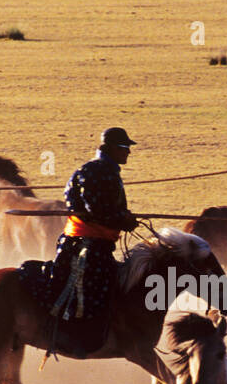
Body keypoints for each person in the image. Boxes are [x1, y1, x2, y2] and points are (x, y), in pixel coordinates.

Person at [17, 127, 140, 353]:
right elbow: (96, 212)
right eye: (124, 148)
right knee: (98, 288)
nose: (128, 153)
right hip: (85, 246)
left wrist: (123, 217)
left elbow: (102, 208)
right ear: (110, 149)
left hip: (97, 242)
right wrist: (123, 221)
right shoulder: (96, 172)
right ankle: (78, 334)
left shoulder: (105, 170)